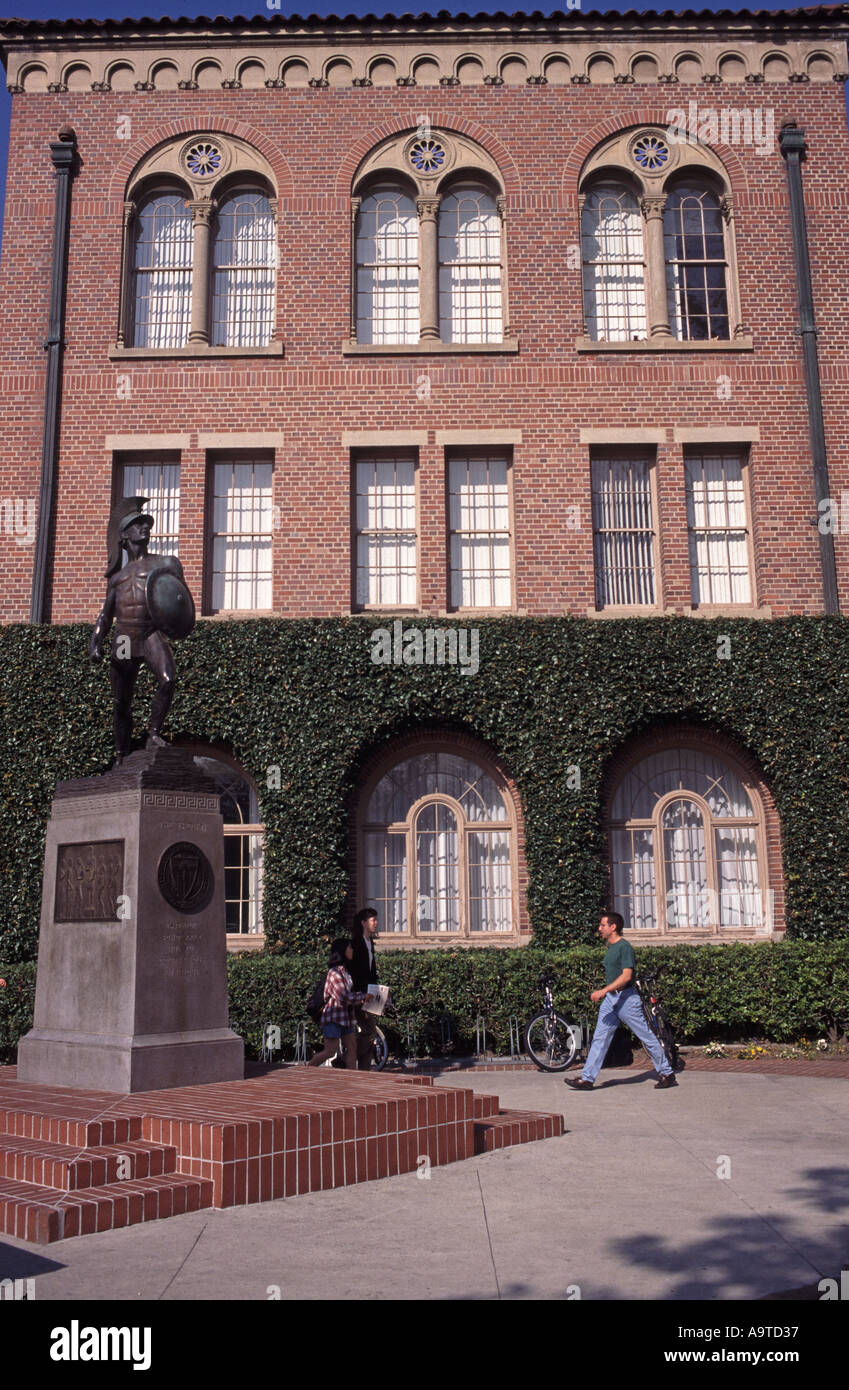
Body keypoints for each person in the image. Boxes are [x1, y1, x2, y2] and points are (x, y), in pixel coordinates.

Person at [90, 496, 190, 763]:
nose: (144, 527)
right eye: (137, 524)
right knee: (122, 701)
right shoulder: (117, 578)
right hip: (123, 638)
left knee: (169, 679)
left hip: (149, 633)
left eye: (145, 523)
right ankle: (122, 752)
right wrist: (96, 642)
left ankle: (153, 733)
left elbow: (180, 600)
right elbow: (105, 615)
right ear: (124, 535)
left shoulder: (165, 563)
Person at [565, 911, 677, 1090]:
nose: (599, 928)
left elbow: (626, 976)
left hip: (626, 999)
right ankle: (587, 1079)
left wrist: (603, 991)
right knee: (600, 1039)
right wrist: (607, 994)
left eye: (603, 925)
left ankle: (667, 1073)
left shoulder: (624, 947)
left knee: (645, 1036)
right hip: (611, 1000)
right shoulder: (611, 948)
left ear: (613, 927)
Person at [307, 938, 368, 1069]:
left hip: (345, 1018)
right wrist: (363, 997)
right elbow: (343, 995)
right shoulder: (334, 973)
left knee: (352, 1048)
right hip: (333, 1018)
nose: (352, 950)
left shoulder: (345, 972)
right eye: (349, 948)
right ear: (342, 951)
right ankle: (307, 1070)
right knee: (330, 1051)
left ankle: (351, 1079)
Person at [350, 907, 380, 1069]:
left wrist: (379, 991)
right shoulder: (356, 943)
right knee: (368, 1031)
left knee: (371, 1031)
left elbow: (371, 972)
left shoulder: (370, 943)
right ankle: (347, 1058)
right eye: (372, 920)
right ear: (363, 923)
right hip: (360, 994)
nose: (376, 923)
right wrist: (361, 993)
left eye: (376, 919)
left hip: (370, 993)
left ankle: (364, 1068)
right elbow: (355, 972)